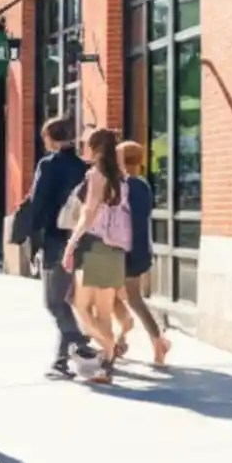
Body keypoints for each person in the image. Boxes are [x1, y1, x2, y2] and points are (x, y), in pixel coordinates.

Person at [62, 128, 134, 384]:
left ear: (96, 148)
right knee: (103, 311)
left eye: (87, 144)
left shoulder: (96, 174)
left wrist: (71, 243)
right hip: (115, 249)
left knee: (79, 305)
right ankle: (105, 367)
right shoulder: (121, 177)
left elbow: (88, 212)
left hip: (95, 246)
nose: (84, 148)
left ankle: (108, 346)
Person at [26, 117, 94, 379]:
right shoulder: (83, 166)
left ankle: (80, 342)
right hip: (80, 240)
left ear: (50, 138)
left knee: (53, 302)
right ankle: (61, 361)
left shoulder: (48, 165)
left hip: (55, 240)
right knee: (64, 300)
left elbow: (38, 205)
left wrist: (33, 241)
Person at [111, 141, 171, 365]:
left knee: (106, 296)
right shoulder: (144, 186)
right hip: (140, 250)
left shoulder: (120, 186)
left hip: (119, 250)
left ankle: (120, 335)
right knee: (134, 298)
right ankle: (156, 341)